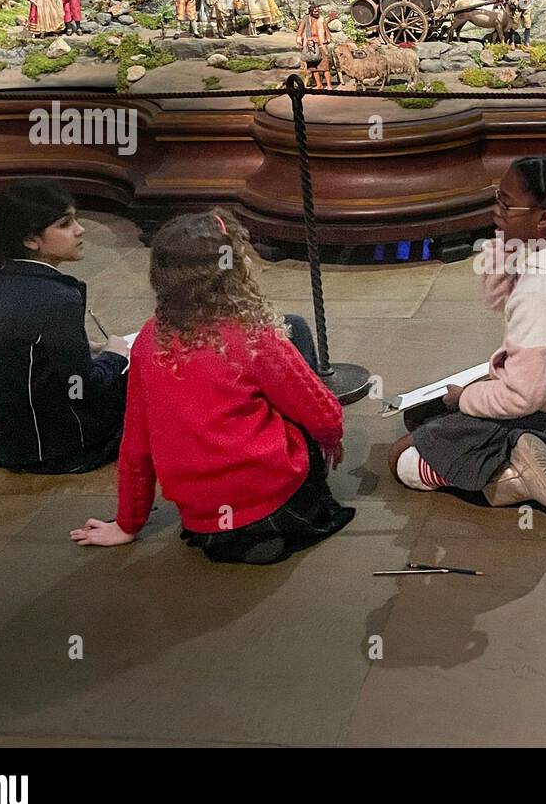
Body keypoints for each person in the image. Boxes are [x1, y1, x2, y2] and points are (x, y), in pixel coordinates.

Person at [71, 210, 354, 564]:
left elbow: (136, 444)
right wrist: (330, 438)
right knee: (295, 351)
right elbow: (321, 412)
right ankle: (272, 526)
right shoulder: (251, 334)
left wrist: (128, 524)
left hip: (204, 517)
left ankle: (240, 537)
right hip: (272, 495)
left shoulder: (147, 339)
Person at [387, 157, 546, 526]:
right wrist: (504, 247)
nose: (497, 211)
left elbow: (524, 397)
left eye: (506, 204)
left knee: (402, 459)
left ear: (542, 219)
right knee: (419, 416)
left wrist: (465, 399)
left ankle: (514, 480)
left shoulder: (540, 291)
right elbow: (497, 300)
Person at [0, 180, 129, 474]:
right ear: (32, 240)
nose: (80, 229)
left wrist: (83, 349)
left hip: (17, 438)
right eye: (65, 223)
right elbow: (82, 388)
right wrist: (114, 355)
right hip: (62, 445)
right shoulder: (57, 298)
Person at [297, 3, 332, 88]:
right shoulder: (306, 19)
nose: (317, 12)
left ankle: (329, 85)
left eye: (318, 11)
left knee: (325, 67)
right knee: (313, 67)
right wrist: (299, 41)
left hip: (321, 45)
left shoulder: (321, 19)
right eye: (315, 11)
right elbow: (300, 31)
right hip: (310, 46)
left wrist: (328, 39)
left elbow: (327, 31)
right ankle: (319, 84)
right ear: (311, 11)